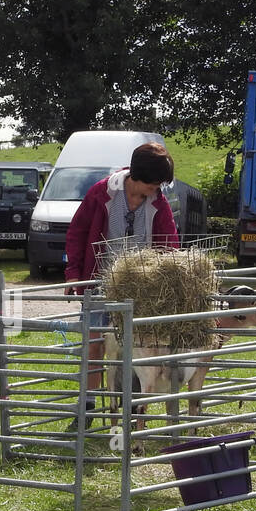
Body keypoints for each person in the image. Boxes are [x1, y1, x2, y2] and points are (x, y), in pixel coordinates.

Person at [63, 142, 180, 418]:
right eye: (154, 183)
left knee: (136, 345)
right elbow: (77, 233)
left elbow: (170, 243)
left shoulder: (158, 203)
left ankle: (132, 404)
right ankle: (88, 405)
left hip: (141, 287)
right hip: (100, 281)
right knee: (95, 342)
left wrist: (171, 274)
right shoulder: (102, 194)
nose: (157, 189)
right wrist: (73, 274)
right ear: (138, 177)